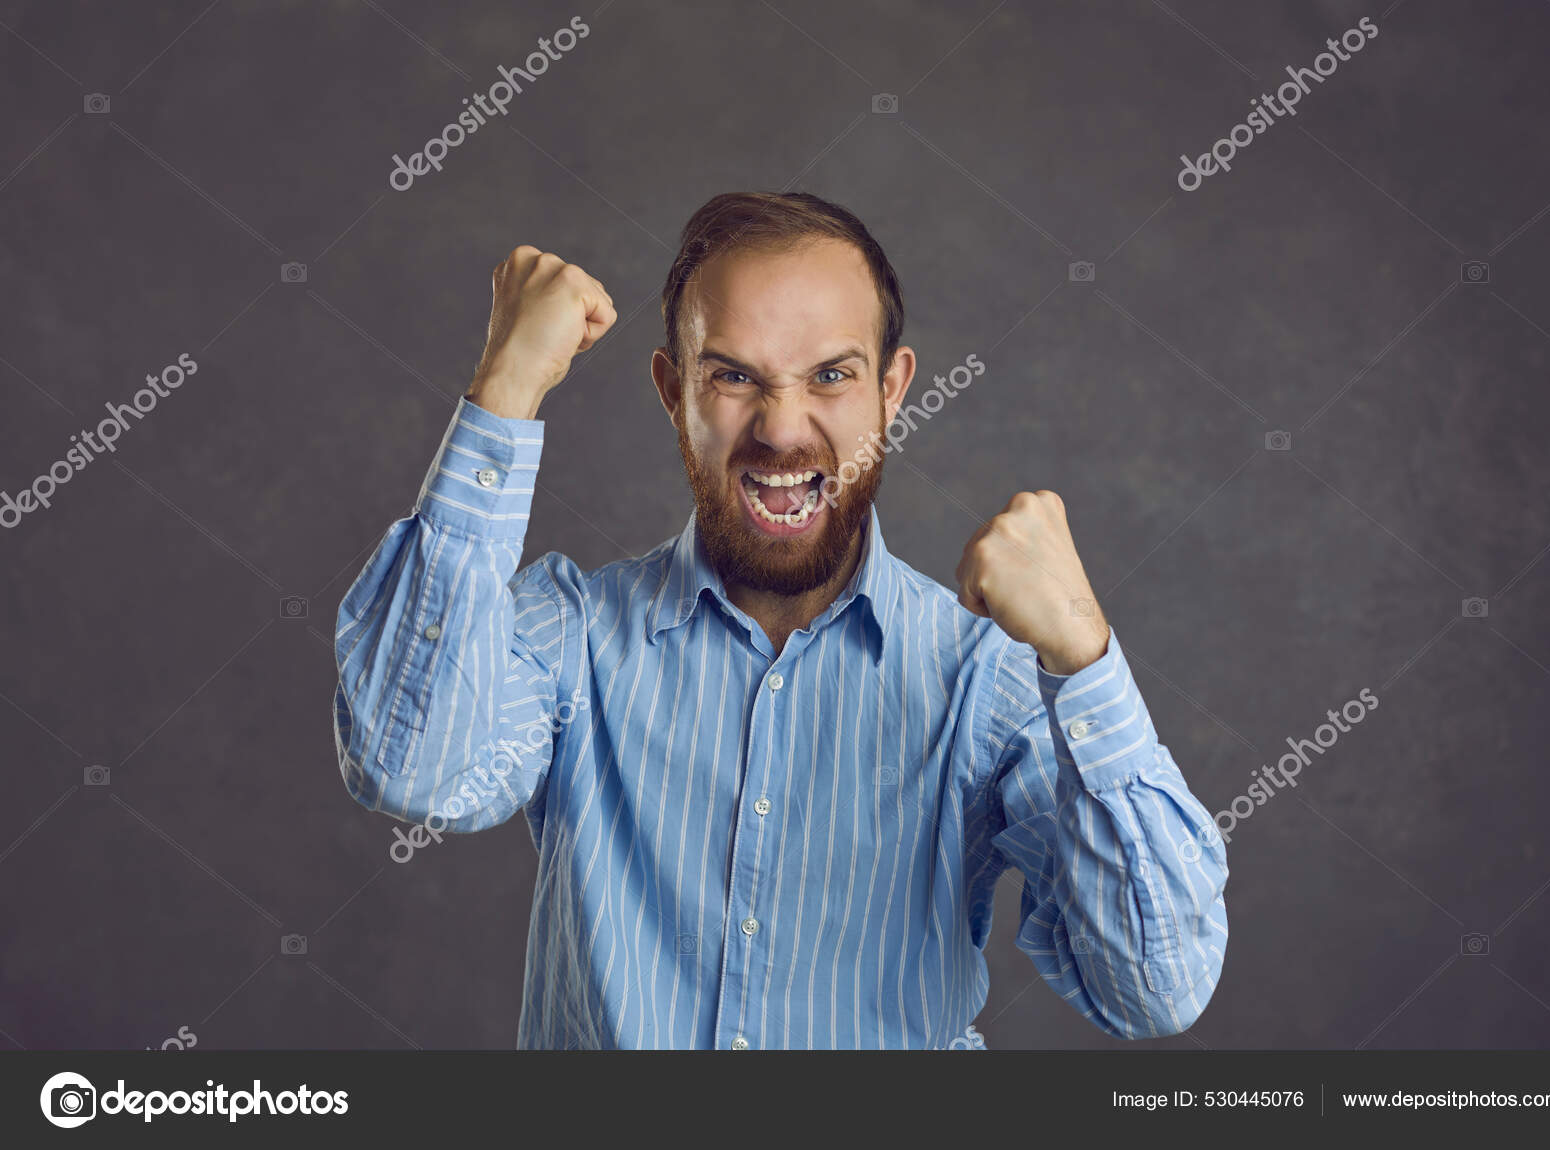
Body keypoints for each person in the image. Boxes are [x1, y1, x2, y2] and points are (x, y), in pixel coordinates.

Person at [332, 191, 1228, 1049]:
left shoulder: (986, 675)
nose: (781, 428)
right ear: (672, 393)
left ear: (892, 391)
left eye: (832, 375)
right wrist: (506, 387)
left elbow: (1156, 988)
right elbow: (415, 771)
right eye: (732, 376)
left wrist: (1082, 654)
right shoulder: (574, 634)